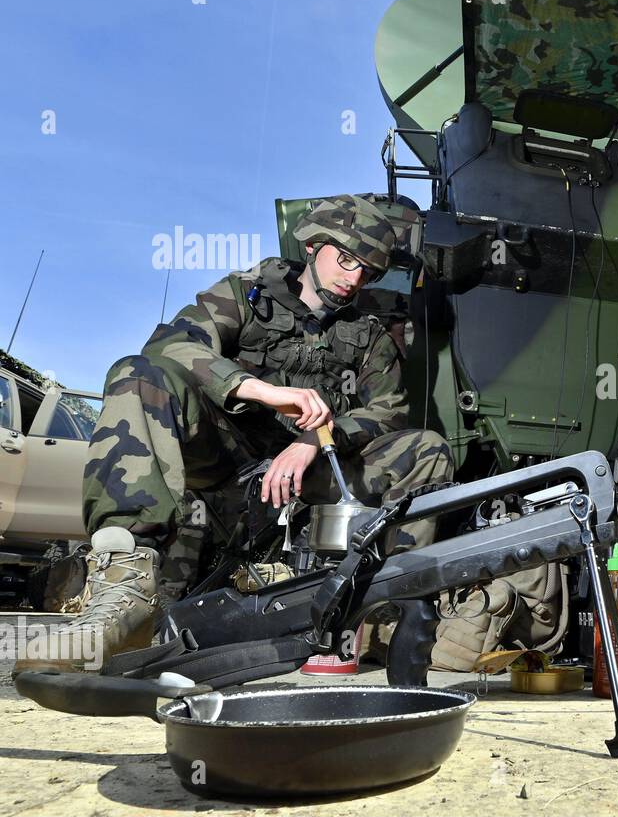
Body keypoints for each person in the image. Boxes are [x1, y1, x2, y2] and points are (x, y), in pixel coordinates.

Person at [16, 195, 453, 673]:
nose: (353, 279)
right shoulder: (247, 293)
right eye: (345, 260)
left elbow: (389, 410)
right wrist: (257, 390)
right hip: (230, 458)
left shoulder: (367, 334)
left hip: (310, 476)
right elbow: (172, 344)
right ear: (313, 246)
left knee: (427, 449)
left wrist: (314, 441)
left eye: (366, 271)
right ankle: (124, 588)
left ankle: (389, 613)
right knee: (139, 374)